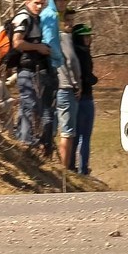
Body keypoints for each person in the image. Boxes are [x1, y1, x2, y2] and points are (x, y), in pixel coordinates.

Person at [11, 0, 51, 156]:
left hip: (35, 70)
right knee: (29, 105)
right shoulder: (24, 18)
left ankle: (21, 138)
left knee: (29, 105)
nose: (39, 6)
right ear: (27, 2)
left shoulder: (36, 19)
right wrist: (38, 47)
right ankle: (25, 142)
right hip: (26, 70)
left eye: (42, 4)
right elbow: (17, 43)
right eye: (36, 3)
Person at [38, 0, 71, 158]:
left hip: (47, 65)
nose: (63, 3)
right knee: (48, 110)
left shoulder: (50, 15)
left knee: (47, 109)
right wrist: (60, 58)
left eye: (65, 0)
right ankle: (46, 148)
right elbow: (50, 41)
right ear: (53, 0)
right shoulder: (50, 16)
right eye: (59, 0)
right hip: (48, 66)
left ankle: (44, 146)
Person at [53, 10, 81, 170]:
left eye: (72, 20)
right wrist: (77, 83)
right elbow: (71, 62)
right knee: (67, 133)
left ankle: (52, 165)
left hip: (56, 88)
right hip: (66, 88)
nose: (70, 23)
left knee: (53, 129)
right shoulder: (63, 38)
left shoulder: (54, 38)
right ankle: (64, 170)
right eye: (67, 21)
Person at [70, 22, 97, 175]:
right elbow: (85, 75)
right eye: (84, 37)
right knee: (83, 137)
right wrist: (92, 79)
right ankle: (82, 169)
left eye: (88, 37)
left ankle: (74, 167)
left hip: (84, 97)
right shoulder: (82, 54)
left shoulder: (75, 52)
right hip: (83, 99)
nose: (87, 39)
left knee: (78, 136)